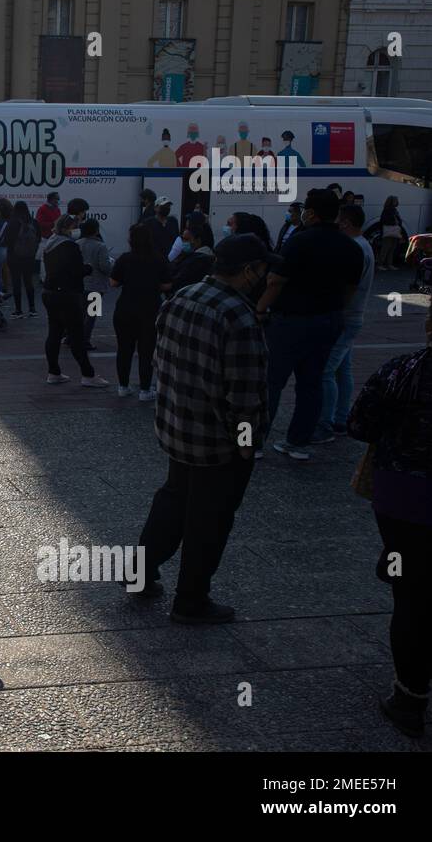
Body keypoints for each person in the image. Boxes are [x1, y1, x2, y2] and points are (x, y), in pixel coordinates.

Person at [131, 234, 274, 623]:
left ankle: (138, 574)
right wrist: (246, 447)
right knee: (209, 520)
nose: (264, 276)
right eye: (262, 269)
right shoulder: (239, 316)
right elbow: (244, 395)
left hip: (177, 428)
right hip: (217, 443)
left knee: (172, 502)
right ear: (249, 271)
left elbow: (160, 358)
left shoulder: (184, 295)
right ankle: (191, 600)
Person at [347, 287, 432, 738]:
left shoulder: (404, 369)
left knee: (411, 596)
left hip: (406, 498)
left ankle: (410, 697)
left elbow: (360, 424)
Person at [256, 188, 365, 460]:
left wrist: (260, 309)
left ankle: (254, 443)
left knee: (271, 382)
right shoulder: (352, 247)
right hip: (328, 321)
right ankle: (298, 442)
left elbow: (275, 281)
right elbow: (350, 289)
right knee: (311, 383)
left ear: (312, 213)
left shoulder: (299, 241)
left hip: (289, 322)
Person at [313, 203, 376, 442]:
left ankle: (325, 424)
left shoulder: (354, 248)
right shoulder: (365, 246)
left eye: (340, 220)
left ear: (346, 222)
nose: (337, 224)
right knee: (342, 369)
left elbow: (348, 287)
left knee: (326, 371)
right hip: (354, 316)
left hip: (345, 317)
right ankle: (341, 417)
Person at [42, 214, 109, 388]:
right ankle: (88, 374)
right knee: (78, 334)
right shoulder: (70, 246)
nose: (76, 229)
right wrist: (87, 268)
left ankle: (53, 372)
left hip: (50, 293)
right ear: (66, 228)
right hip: (72, 294)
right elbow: (76, 270)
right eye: (74, 226)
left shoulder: (50, 244)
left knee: (54, 333)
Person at [110, 223, 171, 400]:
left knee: (124, 348)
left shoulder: (125, 258)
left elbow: (113, 282)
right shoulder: (158, 259)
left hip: (125, 308)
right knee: (147, 349)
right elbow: (167, 284)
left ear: (131, 240)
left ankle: (123, 386)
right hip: (150, 308)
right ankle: (145, 389)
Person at [77, 218, 112, 349]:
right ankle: (85, 340)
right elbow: (105, 267)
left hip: (80, 284)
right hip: (96, 286)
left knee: (80, 313)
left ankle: (72, 337)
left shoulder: (77, 243)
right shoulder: (100, 246)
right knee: (91, 315)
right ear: (96, 230)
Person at [8, 200, 39, 318]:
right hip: (29, 257)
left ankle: (18, 310)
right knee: (29, 282)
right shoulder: (33, 222)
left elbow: (8, 241)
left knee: (16, 283)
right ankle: (32, 309)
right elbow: (38, 238)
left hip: (14, 257)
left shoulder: (12, 223)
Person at [169, 216, 216, 292]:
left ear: (198, 240)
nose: (183, 243)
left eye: (186, 239)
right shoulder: (204, 254)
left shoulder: (197, 260)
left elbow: (177, 281)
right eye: (182, 239)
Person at [377, 196, 406, 270]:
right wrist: (394, 222)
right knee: (387, 248)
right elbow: (383, 220)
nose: (397, 202)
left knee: (390, 248)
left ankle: (387, 264)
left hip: (391, 231)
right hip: (392, 230)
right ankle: (382, 264)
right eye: (395, 201)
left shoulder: (390, 210)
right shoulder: (388, 210)